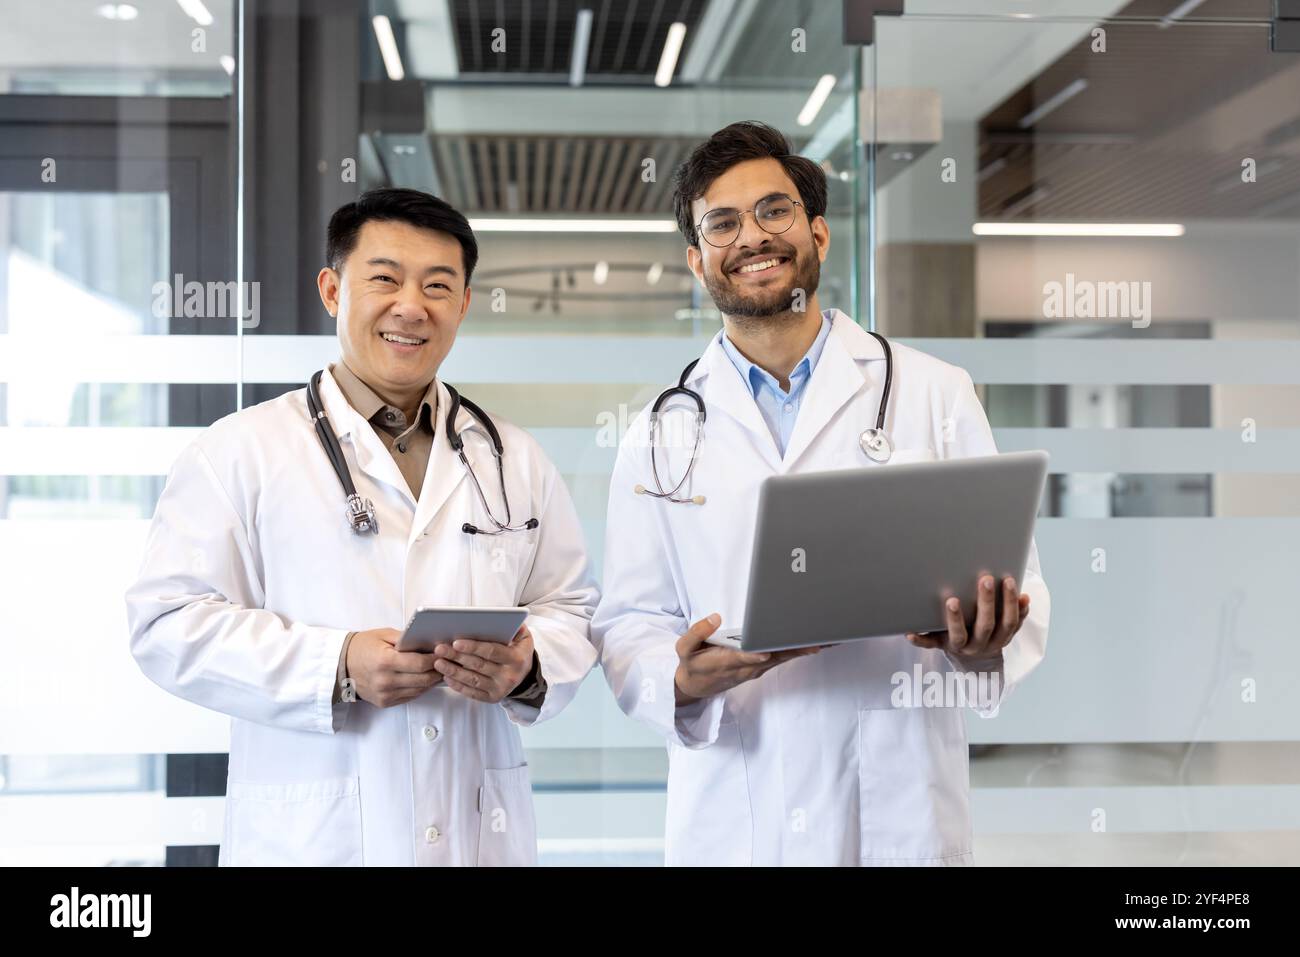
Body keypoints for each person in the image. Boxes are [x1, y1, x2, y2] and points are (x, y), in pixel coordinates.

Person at [592, 122, 1050, 866]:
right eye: (722, 222)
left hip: (899, 807)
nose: (752, 237)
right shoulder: (657, 429)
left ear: (818, 234)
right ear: (697, 259)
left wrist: (985, 638)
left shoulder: (934, 392)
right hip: (736, 813)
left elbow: (1018, 587)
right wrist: (677, 676)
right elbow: (627, 621)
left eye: (774, 211)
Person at [126, 187, 597, 866]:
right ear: (331, 289)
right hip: (314, 838)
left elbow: (570, 605)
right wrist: (336, 663)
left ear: (464, 306)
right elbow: (165, 624)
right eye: (384, 278)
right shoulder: (239, 451)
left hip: (475, 834)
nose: (412, 306)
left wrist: (526, 667)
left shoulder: (513, 456)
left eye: (439, 286)